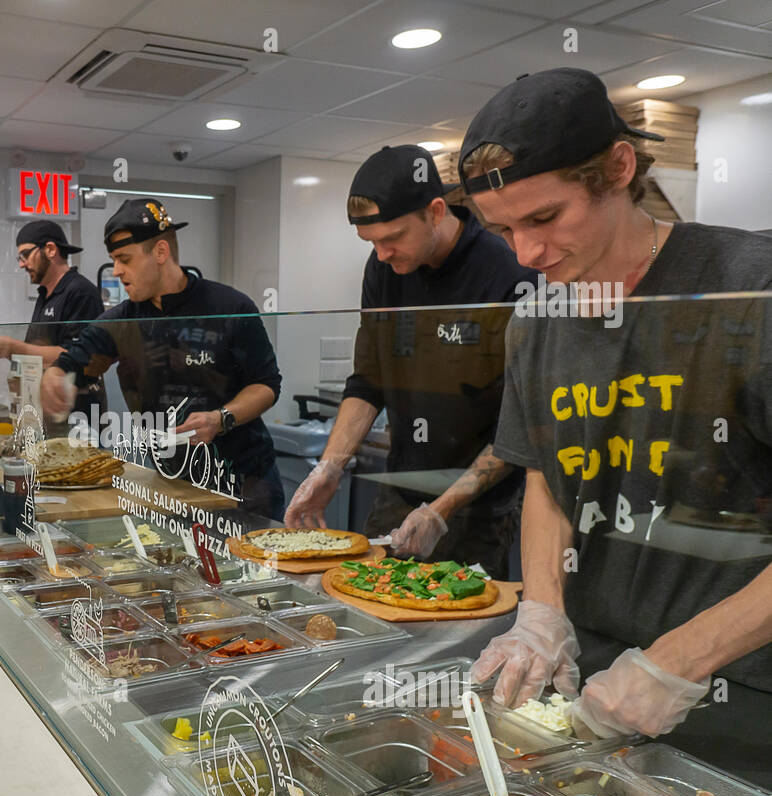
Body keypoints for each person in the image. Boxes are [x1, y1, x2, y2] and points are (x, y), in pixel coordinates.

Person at [459, 68, 772, 738]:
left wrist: (677, 662)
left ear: (619, 168)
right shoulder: (535, 323)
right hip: (598, 674)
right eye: (502, 229)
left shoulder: (749, 287)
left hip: (742, 686)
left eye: (545, 217)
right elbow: (546, 474)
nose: (527, 253)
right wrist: (541, 614)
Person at [284, 147, 537, 576]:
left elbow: (520, 422)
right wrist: (330, 466)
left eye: (392, 238)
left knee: (452, 630)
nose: (381, 254)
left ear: (435, 212)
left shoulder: (509, 274)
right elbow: (368, 380)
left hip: (477, 505)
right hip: (397, 487)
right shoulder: (383, 268)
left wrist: (440, 511)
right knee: (369, 608)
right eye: (371, 243)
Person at [41, 198, 284, 519]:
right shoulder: (122, 320)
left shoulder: (229, 306)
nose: (116, 271)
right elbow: (72, 360)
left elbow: (266, 385)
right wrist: (55, 375)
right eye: (113, 260)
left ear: (160, 253)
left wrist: (221, 418)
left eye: (124, 259)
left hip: (244, 483)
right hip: (172, 482)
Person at [0, 220, 106, 431]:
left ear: (50, 250)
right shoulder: (45, 295)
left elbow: (76, 356)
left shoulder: (80, 292)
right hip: (46, 414)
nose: (21, 264)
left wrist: (13, 347)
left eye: (25, 255)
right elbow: (36, 351)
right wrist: (2, 348)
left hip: (76, 416)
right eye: (20, 257)